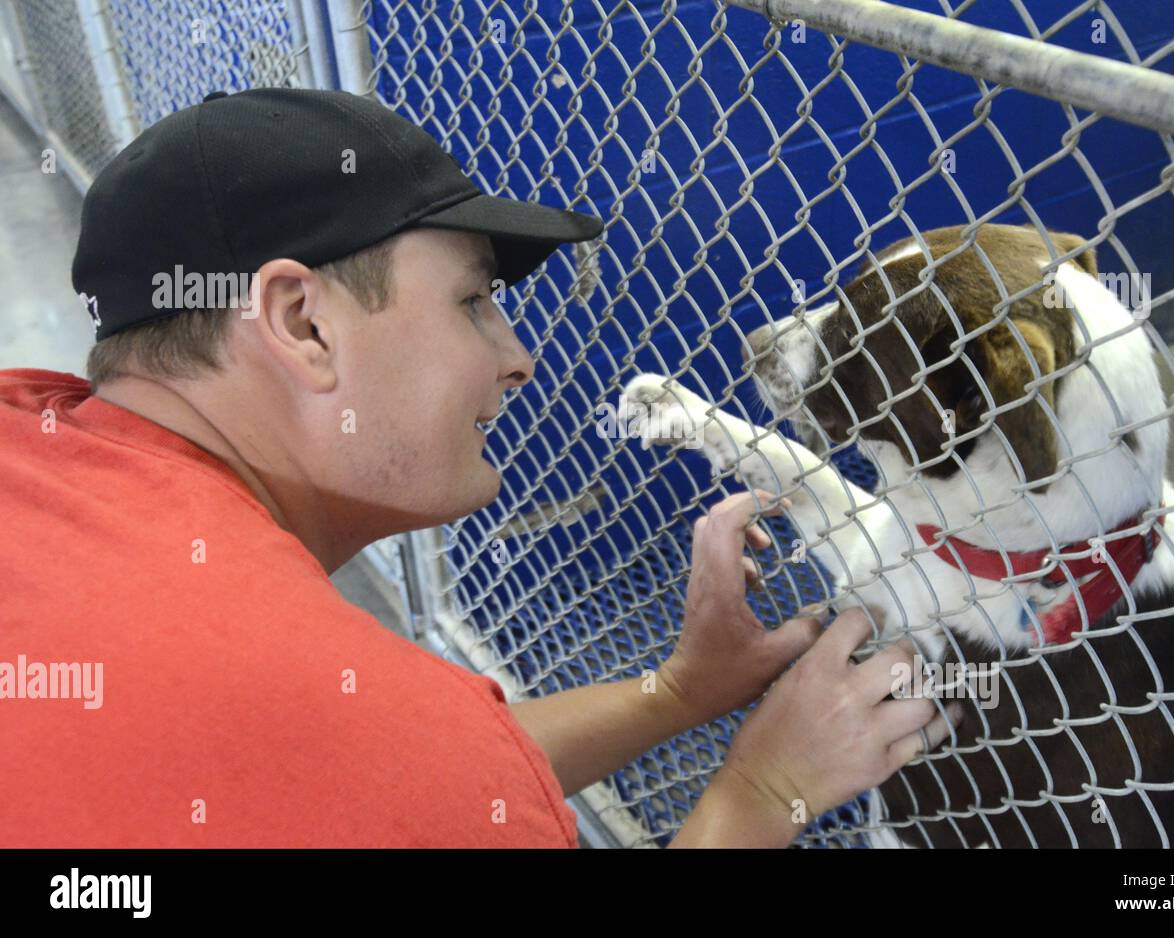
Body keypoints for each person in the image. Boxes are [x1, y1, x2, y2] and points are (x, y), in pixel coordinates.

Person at [0, 88, 957, 848]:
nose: (516, 355)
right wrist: (764, 789)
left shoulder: (32, 437)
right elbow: (400, 780)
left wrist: (685, 692)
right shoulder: (294, 695)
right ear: (303, 323)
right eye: (473, 302)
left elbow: (388, 784)